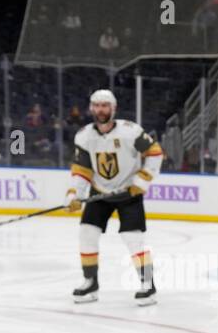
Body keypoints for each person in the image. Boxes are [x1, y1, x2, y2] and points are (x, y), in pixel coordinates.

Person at [64, 89, 163, 305]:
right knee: (87, 233)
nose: (100, 110)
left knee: (133, 239)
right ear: (91, 108)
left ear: (113, 108)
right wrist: (75, 194)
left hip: (128, 193)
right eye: (97, 105)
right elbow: (82, 169)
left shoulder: (130, 131)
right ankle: (90, 282)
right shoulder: (83, 136)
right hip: (99, 194)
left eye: (105, 105)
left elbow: (155, 153)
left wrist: (142, 181)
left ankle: (148, 285)